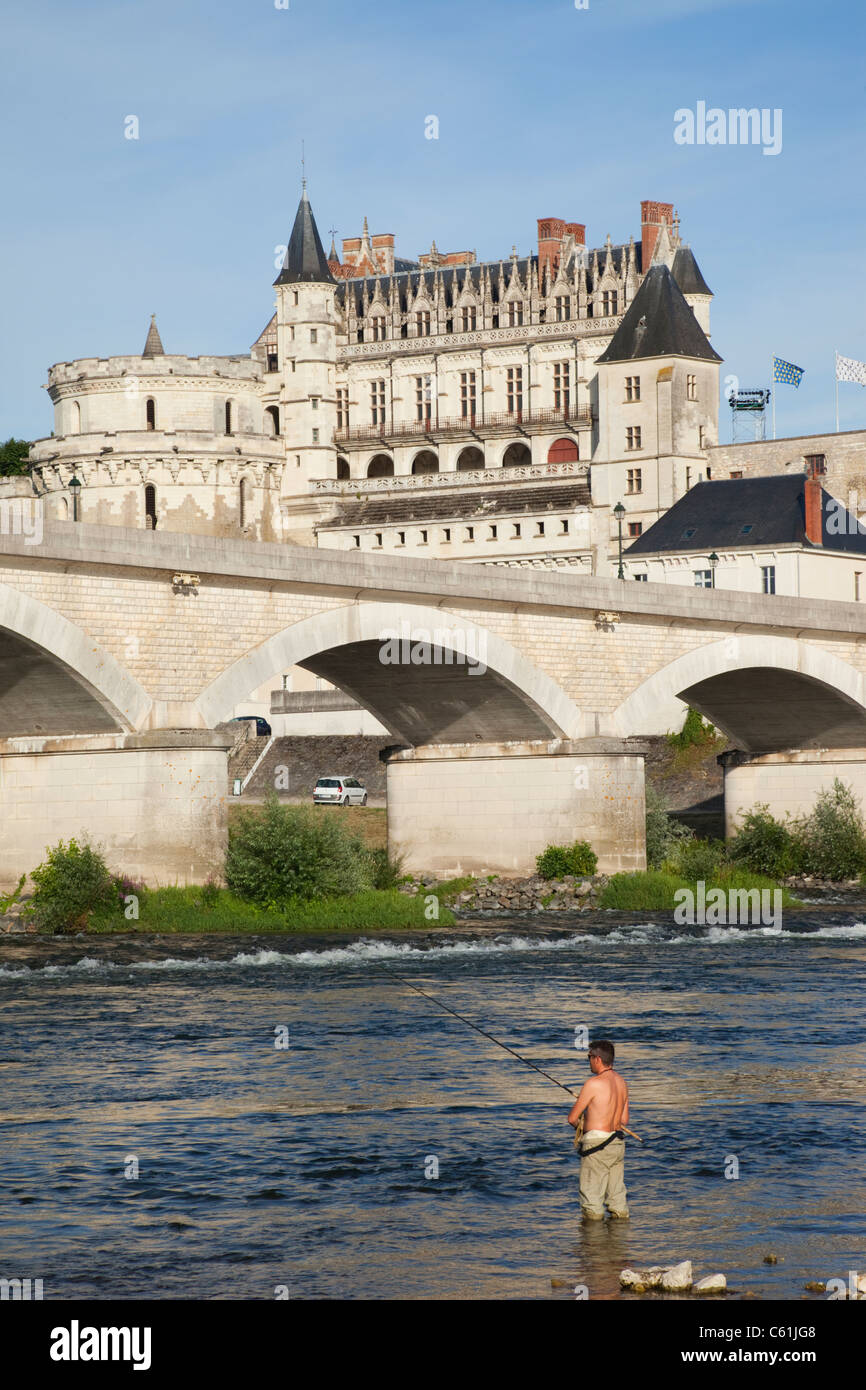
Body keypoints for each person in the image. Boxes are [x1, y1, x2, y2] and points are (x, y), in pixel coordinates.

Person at [567, 1038, 630, 1221]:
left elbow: (572, 1119)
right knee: (617, 1199)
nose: (588, 1061)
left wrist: (584, 1122)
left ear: (597, 1059)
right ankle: (617, 1244)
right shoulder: (622, 1082)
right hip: (617, 1144)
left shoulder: (593, 1083)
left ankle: (594, 1245)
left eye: (589, 1057)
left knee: (592, 1202)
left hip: (596, 1146)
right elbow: (624, 1120)